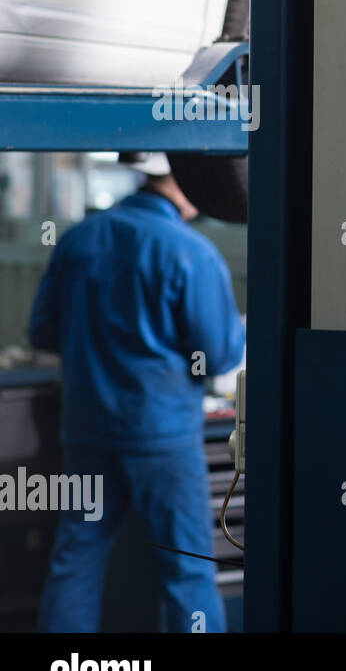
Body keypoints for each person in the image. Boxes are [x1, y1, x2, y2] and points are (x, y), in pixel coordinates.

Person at [28, 152, 246, 633]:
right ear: (182, 182)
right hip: (162, 437)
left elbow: (41, 332)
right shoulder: (191, 251)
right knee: (186, 569)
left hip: (86, 430)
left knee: (76, 560)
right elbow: (220, 356)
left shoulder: (79, 239)